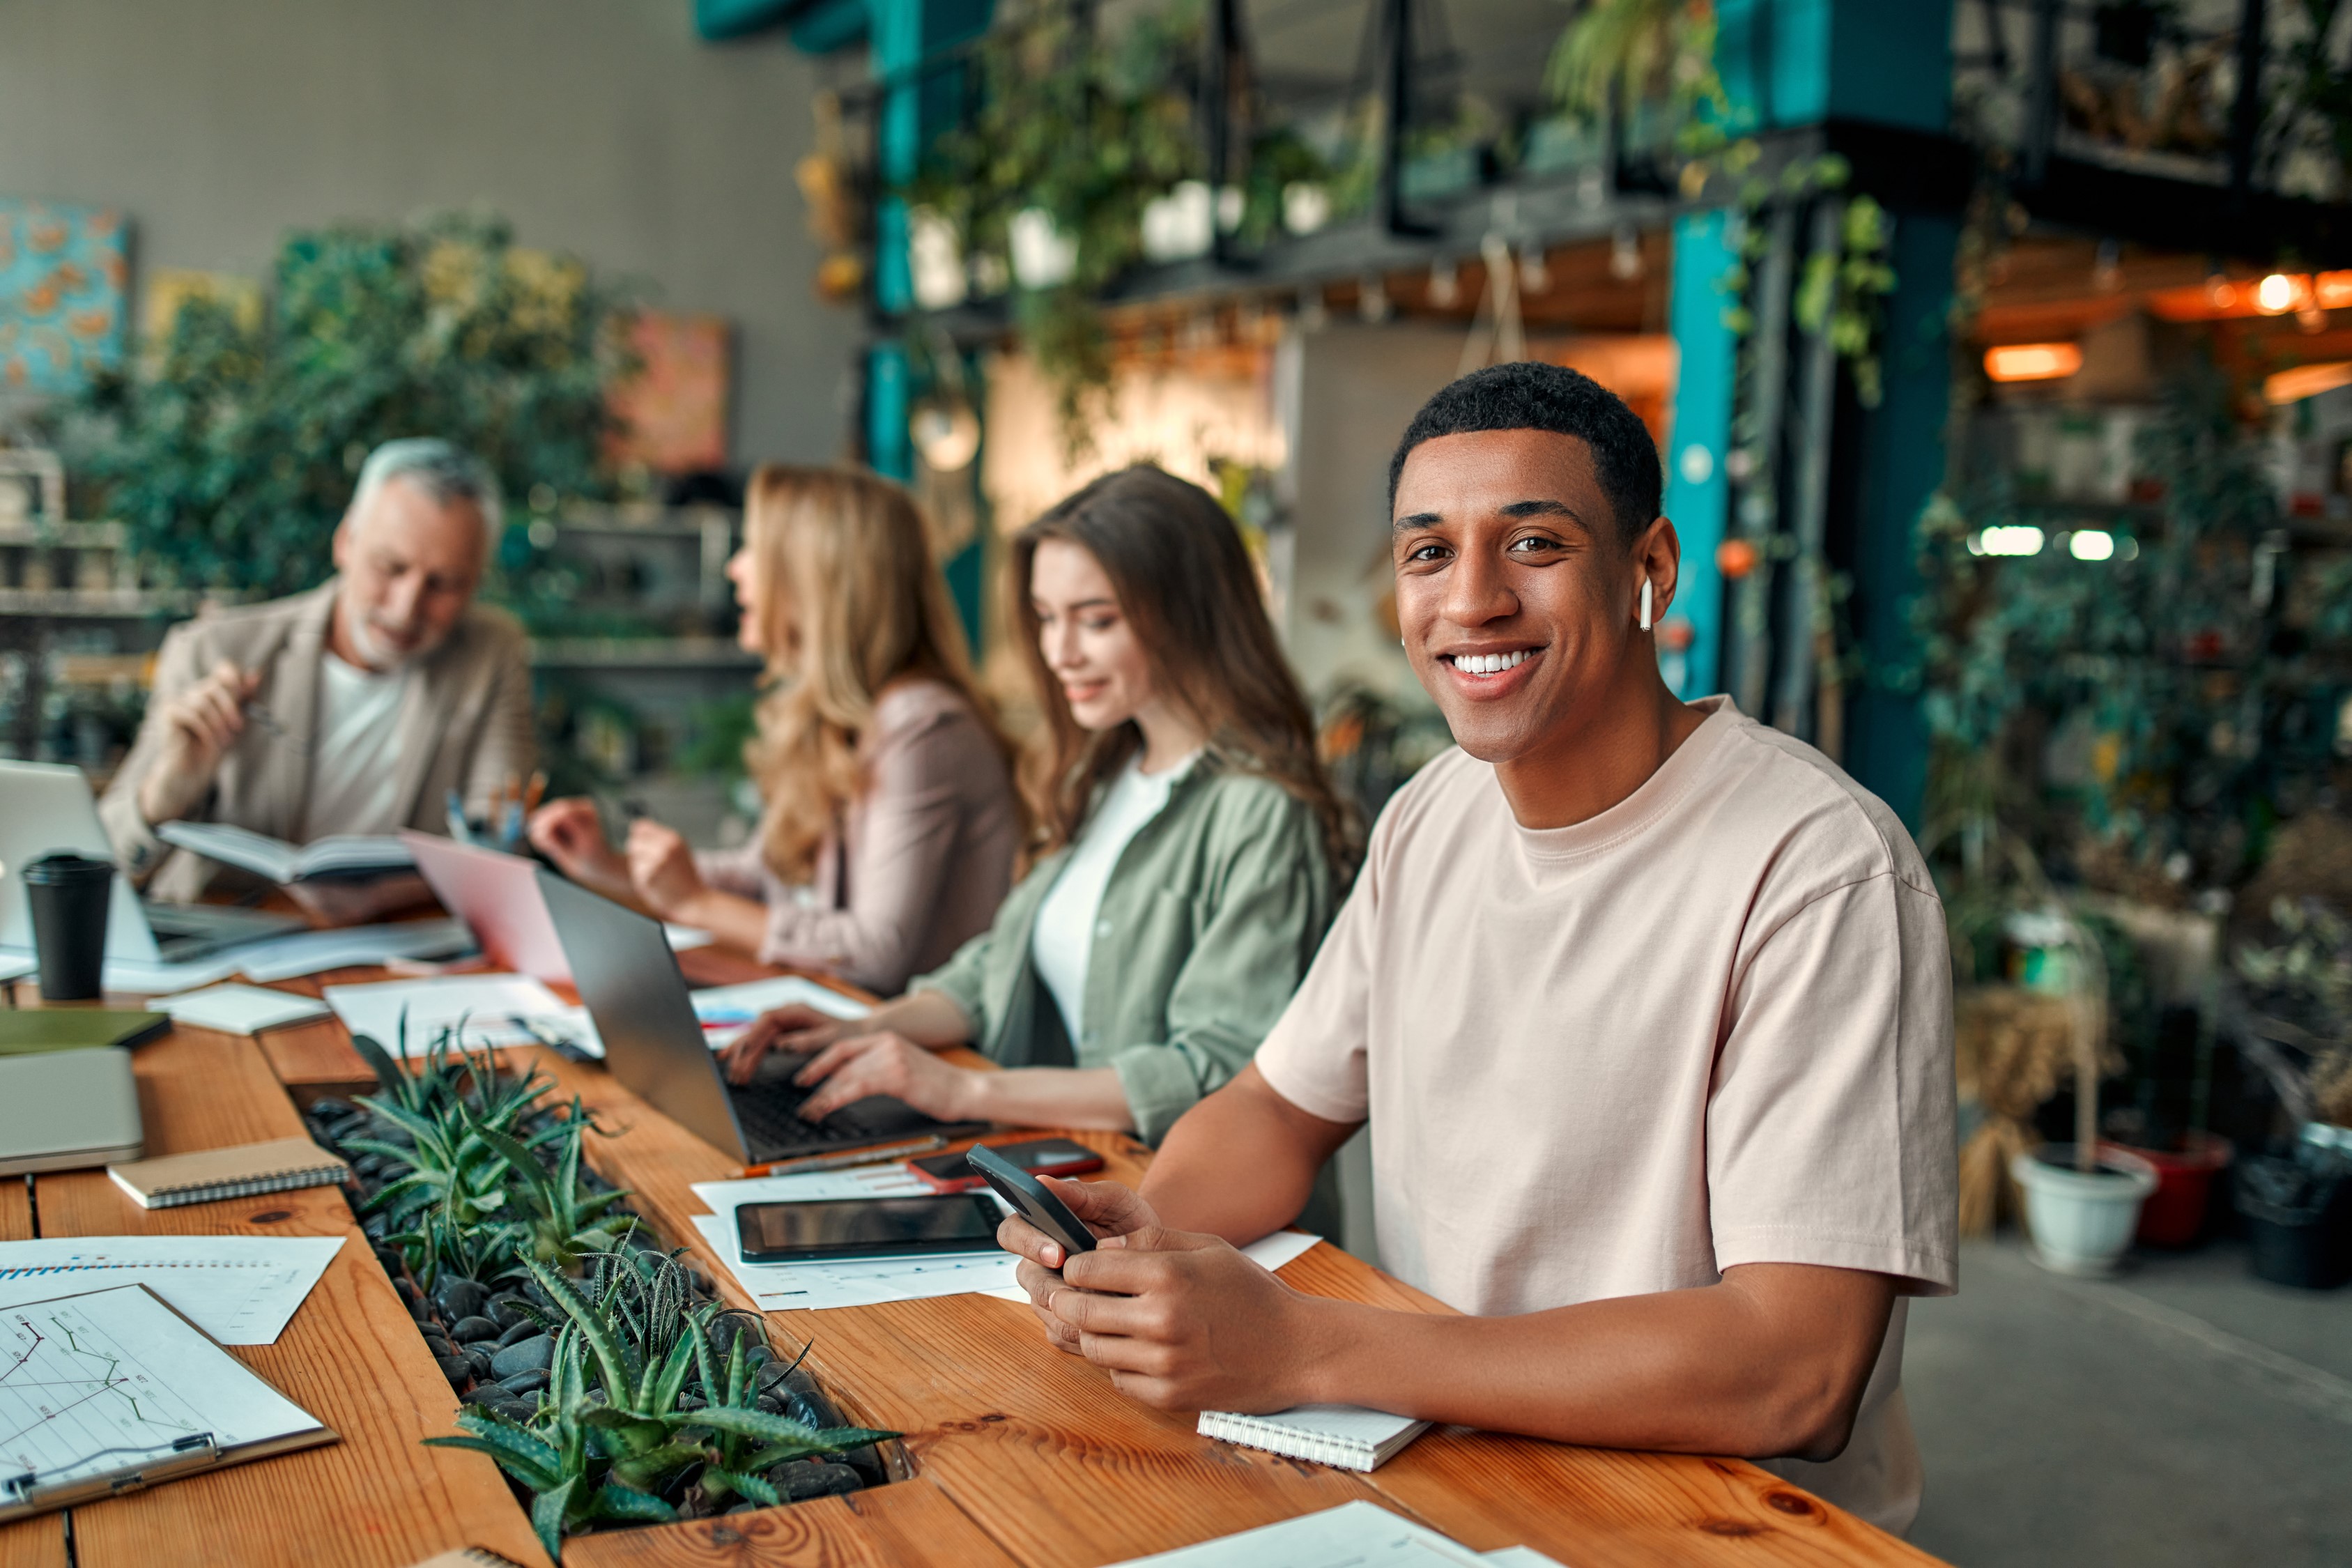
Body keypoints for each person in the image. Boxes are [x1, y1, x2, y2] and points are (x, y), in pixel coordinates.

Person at [996, 364, 1958, 1536]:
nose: (1473, 601)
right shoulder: (1432, 812)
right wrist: (1157, 1236)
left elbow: (1793, 1368)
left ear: (1648, 569)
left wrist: (1305, 1345)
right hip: (1432, 1466)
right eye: (1427, 553)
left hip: (1701, 1522)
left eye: (1535, 544)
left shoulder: (1822, 870)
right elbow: (1276, 1105)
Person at [720, 466, 1353, 1199]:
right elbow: (994, 969)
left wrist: (966, 1092)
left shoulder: (1262, 812)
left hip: (1185, 1212)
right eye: (1047, 619)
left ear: (1189, 614)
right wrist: (859, 1032)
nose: (1061, 653)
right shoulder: (1107, 772)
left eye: (1096, 620)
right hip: (1086, 1179)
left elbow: (1217, 1069)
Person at [528, 466, 1020, 996]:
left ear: (818, 578)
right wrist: (613, 868)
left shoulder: (923, 728)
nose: (736, 570)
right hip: (845, 1021)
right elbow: (764, 875)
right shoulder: (837, 715)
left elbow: (876, 953)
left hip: (925, 1053)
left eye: (754, 550)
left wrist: (695, 902)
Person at [100, 438, 533, 907]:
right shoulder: (213, 653)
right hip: (230, 940)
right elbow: (100, 867)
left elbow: (498, 855)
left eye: (444, 584)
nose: (406, 608)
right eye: (390, 568)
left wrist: (378, 898)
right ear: (345, 542)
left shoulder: (489, 653)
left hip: (391, 946)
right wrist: (166, 793)